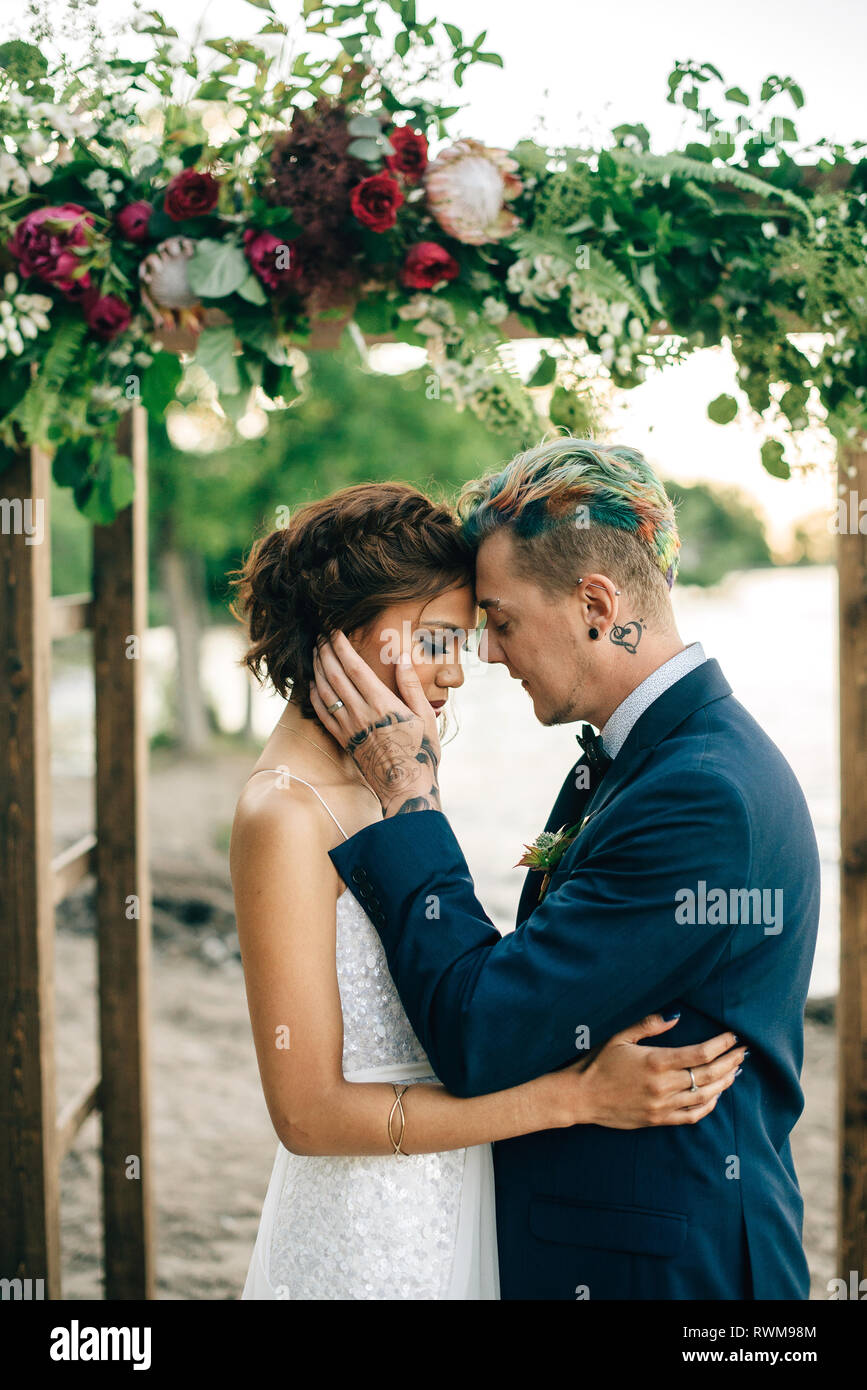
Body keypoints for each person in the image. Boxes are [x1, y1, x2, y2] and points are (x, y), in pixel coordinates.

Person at [311, 439, 821, 1300]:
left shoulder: (697, 795)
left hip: (668, 1274)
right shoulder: (659, 760)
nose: (491, 657)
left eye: (500, 621)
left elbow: (482, 1032)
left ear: (594, 603)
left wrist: (410, 794)